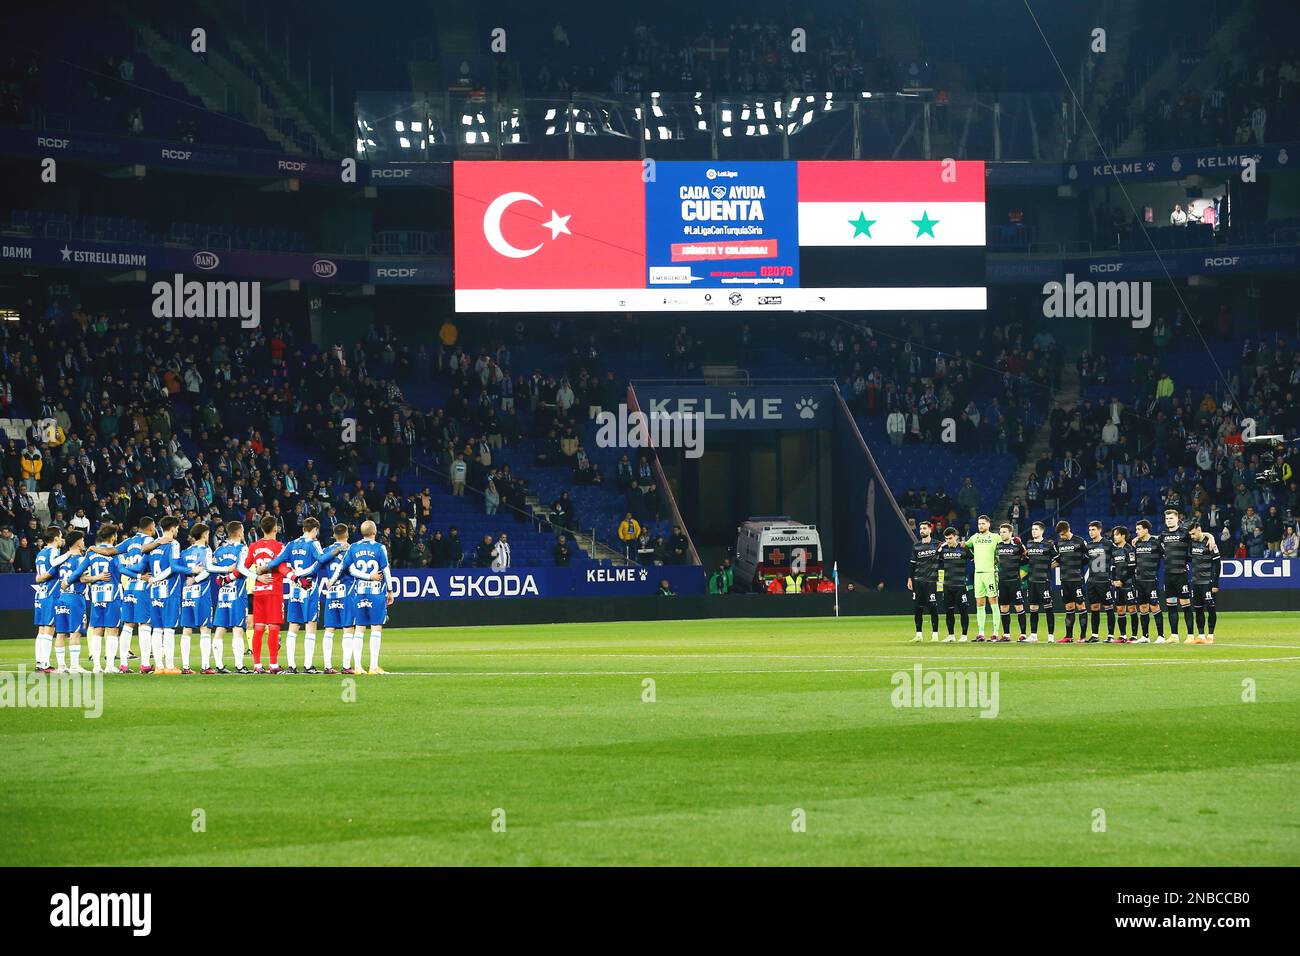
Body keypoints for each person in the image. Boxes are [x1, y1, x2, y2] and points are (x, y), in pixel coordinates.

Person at [326, 519, 394, 674]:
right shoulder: (379, 547)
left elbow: (343, 567)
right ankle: (373, 666)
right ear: (375, 532)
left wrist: (331, 580)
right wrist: (390, 591)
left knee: (360, 629)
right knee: (376, 627)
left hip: (359, 593)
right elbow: (386, 570)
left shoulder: (354, 547)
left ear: (361, 533)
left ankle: (357, 666)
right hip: (376, 593)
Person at [244, 515, 291, 674]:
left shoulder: (253, 546)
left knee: (258, 627)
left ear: (262, 529)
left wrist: (255, 577)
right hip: (273, 591)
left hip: (259, 591)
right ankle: (273, 665)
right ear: (276, 528)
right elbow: (282, 567)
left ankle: (257, 665)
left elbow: (243, 568)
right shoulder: (279, 546)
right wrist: (294, 577)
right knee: (273, 627)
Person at [964, 515, 1000, 640]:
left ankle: (995, 633)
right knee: (979, 603)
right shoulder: (974, 538)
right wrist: (972, 556)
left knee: (993, 601)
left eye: (983, 523)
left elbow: (1006, 545)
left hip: (990, 573)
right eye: (979, 524)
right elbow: (964, 546)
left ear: (989, 524)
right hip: (978, 574)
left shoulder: (995, 537)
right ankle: (981, 633)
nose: (981, 526)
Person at [1131, 519, 1168, 643]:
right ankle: (1145, 636)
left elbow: (1165, 555)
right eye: (1136, 529)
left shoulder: (1156, 542)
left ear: (1146, 530)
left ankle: (1161, 636)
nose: (1137, 532)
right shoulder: (1137, 543)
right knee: (1142, 607)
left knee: (1154, 606)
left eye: (1139, 529)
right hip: (1139, 580)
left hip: (1151, 579)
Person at [1053, 521, 1088, 643]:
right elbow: (1058, 559)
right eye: (1060, 535)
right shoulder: (1059, 543)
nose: (1061, 537)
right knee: (1069, 607)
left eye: (1063, 534)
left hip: (1076, 579)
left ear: (1068, 529)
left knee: (1081, 606)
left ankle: (1083, 637)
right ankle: (1068, 636)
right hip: (1064, 579)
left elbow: (1088, 556)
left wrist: (1078, 565)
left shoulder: (1079, 541)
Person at [1023, 521, 1058, 642]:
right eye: (1032, 529)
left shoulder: (1048, 544)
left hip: (1044, 581)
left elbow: (1058, 558)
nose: (1033, 531)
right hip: (1032, 580)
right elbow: (1026, 559)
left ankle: (1051, 636)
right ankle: (1033, 635)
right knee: (1033, 607)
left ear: (1042, 531)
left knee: (1048, 607)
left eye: (1036, 529)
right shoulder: (1029, 543)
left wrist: (1048, 567)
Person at [907, 520, 941, 642]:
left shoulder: (938, 545)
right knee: (917, 609)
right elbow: (912, 565)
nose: (922, 530)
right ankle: (919, 635)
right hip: (917, 581)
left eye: (924, 528)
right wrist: (910, 579)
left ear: (930, 529)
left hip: (931, 582)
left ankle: (935, 635)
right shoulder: (916, 546)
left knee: (933, 608)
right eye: (921, 529)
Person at [1188, 525, 1221, 644]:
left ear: (1199, 530)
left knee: (1211, 608)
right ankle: (1201, 636)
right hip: (1196, 582)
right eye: (1190, 534)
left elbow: (1217, 564)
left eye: (1193, 533)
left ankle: (1210, 635)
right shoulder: (1192, 542)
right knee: (1198, 609)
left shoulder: (1210, 543)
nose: (1191, 536)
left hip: (1207, 582)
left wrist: (1215, 583)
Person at [994, 523, 1027, 642]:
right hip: (1002, 582)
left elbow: (1026, 558)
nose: (1001, 534)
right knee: (1003, 608)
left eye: (1004, 532)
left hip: (1014, 581)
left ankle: (1023, 634)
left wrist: (1021, 544)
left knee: (1019, 607)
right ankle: (1006, 634)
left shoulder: (1017, 546)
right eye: (1000, 532)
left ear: (1010, 533)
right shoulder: (998, 546)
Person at [937, 528, 971, 642]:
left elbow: (974, 559)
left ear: (956, 536)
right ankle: (951, 635)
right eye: (946, 539)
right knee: (949, 611)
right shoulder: (943, 550)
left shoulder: (963, 549)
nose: (948, 540)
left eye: (950, 538)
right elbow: (937, 562)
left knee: (963, 611)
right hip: (947, 586)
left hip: (960, 585)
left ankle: (964, 635)